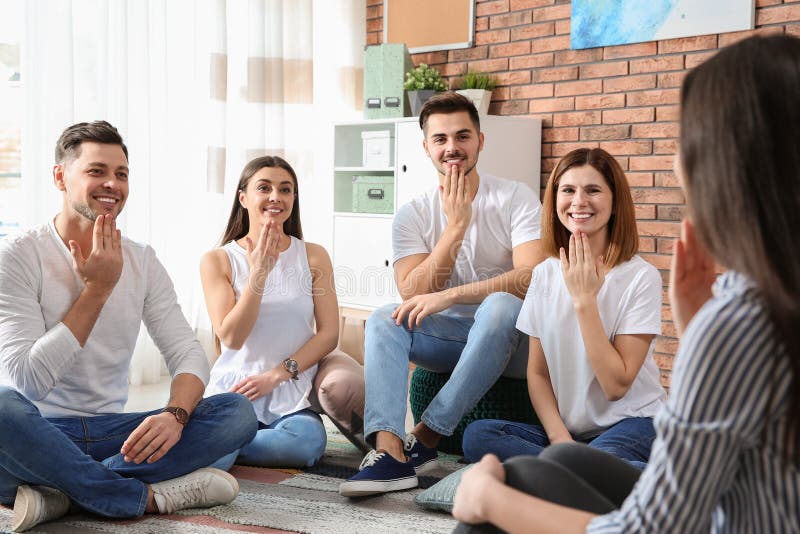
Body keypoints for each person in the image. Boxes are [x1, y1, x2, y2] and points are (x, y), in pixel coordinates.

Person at [452, 33, 800, 533]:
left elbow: (650, 525)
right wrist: (697, 325)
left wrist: (488, 501)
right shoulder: (745, 305)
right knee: (534, 457)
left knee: (507, 487)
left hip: (629, 430)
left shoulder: (727, 312)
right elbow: (538, 374)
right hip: (588, 438)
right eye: (567, 190)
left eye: (690, 142)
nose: (680, 162)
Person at [0, 121, 258, 532]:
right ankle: (141, 495)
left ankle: (63, 491)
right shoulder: (19, 256)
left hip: (116, 433)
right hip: (36, 429)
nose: (112, 184)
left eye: (121, 174)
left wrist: (174, 414)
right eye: (97, 171)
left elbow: (187, 351)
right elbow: (29, 382)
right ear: (60, 176)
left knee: (237, 413)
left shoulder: (142, 260)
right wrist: (97, 290)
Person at [340, 92, 546, 497]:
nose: (452, 147)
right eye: (440, 139)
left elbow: (530, 277)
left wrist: (452, 297)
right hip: (451, 339)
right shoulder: (413, 213)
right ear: (426, 148)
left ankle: (427, 436)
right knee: (386, 316)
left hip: (516, 341)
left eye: (462, 136)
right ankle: (389, 453)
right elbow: (412, 291)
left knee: (502, 306)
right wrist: (455, 228)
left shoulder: (515, 196)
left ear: (480, 141)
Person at [461, 148, 665, 468]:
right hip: (574, 433)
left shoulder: (641, 277)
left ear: (615, 203)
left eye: (593, 190)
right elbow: (538, 374)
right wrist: (559, 440)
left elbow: (615, 386)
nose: (578, 201)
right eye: (568, 190)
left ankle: (573, 474)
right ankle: (582, 472)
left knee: (605, 458)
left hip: (637, 424)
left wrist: (585, 300)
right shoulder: (544, 273)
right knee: (479, 436)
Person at [200, 155, 340, 468]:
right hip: (235, 391)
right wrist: (258, 274)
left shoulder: (314, 256)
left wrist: (277, 375)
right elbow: (232, 338)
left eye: (286, 189)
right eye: (264, 188)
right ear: (243, 197)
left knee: (306, 445)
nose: (276, 196)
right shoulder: (218, 260)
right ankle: (216, 446)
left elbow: (329, 333)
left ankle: (221, 446)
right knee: (215, 460)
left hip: (288, 387)